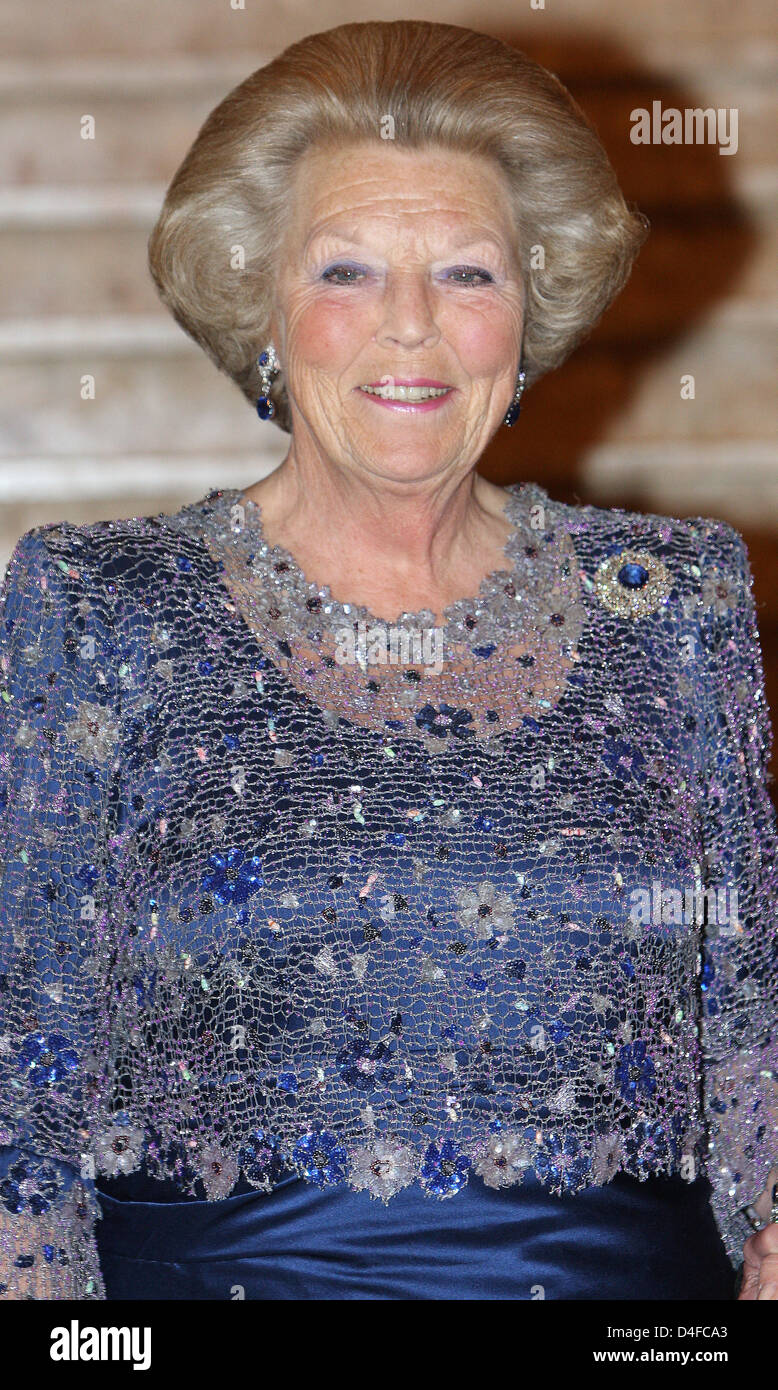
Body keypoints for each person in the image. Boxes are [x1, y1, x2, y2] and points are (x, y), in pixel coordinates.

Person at [1, 19, 776, 1301]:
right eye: (347, 271)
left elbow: (748, 998)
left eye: (468, 275)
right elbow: (23, 1072)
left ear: (529, 313)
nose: (409, 328)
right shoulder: (101, 609)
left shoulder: (673, 600)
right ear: (262, 304)